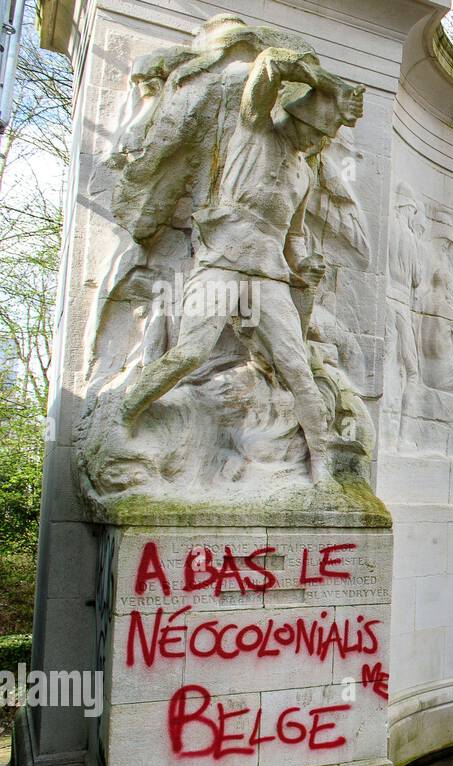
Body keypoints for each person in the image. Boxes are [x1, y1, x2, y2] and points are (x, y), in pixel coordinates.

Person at [121, 46, 364, 484]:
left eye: (322, 141)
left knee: (298, 369)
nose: (316, 145)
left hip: (269, 274)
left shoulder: (303, 174)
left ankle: (322, 461)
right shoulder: (254, 131)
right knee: (191, 352)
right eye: (315, 134)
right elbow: (269, 63)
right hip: (222, 263)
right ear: (297, 118)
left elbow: (292, 233)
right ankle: (125, 413)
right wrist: (332, 84)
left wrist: (303, 261)